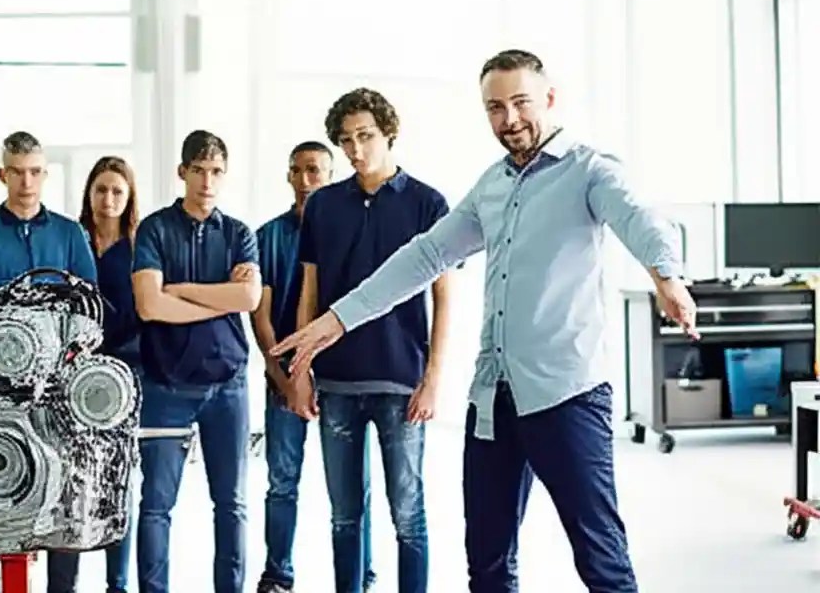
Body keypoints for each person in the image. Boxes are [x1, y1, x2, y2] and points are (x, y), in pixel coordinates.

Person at [271, 50, 699, 593]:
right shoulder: (491, 186)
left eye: (521, 102)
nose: (509, 119)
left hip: (567, 394)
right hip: (494, 399)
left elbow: (638, 216)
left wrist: (667, 276)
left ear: (549, 98)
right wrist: (338, 319)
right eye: (495, 108)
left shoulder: (588, 170)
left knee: (600, 557)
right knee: (487, 561)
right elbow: (425, 255)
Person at [289, 89, 453, 593]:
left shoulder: (428, 203)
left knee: (408, 513)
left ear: (388, 134)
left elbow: (444, 297)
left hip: (401, 381)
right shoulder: (322, 205)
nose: (355, 150)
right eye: (346, 141)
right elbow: (310, 292)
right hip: (336, 381)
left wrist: (433, 380)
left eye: (365, 137)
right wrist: (300, 373)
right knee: (344, 515)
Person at [0, 131, 97, 593]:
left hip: (57, 390)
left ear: (45, 174)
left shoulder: (70, 234)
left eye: (35, 172)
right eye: (17, 172)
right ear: (3, 174)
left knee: (64, 493)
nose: (26, 181)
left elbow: (89, 309)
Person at [131, 130, 261, 593]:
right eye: (199, 170)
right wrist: (221, 299)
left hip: (228, 386)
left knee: (232, 503)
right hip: (166, 385)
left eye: (217, 172)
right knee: (156, 505)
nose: (208, 181)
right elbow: (150, 306)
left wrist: (182, 290)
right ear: (182, 172)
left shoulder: (239, 233)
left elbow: (248, 299)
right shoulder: (154, 229)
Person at [252, 141, 377, 593]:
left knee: (351, 490)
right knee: (282, 482)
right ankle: (277, 573)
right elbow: (261, 317)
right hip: (283, 379)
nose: (307, 181)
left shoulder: (347, 231)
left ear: (330, 176)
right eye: (299, 171)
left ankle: (362, 572)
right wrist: (285, 379)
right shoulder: (268, 236)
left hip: (341, 380)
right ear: (289, 175)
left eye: (316, 171)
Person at [78, 155, 143, 593]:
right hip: (76, 373)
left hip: (124, 372)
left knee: (118, 480)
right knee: (76, 479)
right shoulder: (75, 240)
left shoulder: (139, 248)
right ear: (89, 194)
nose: (108, 198)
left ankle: (116, 582)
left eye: (117, 191)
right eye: (101, 189)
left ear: (129, 196)